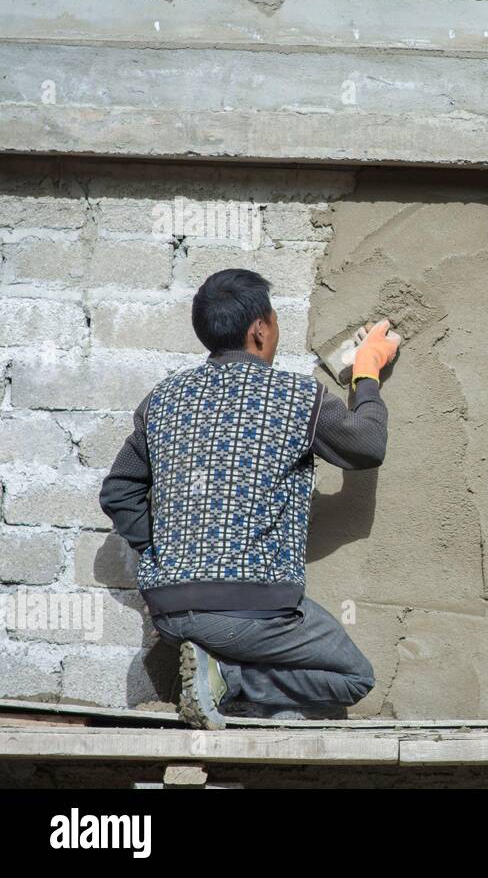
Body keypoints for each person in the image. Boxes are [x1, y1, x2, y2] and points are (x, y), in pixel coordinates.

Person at [99, 268, 398, 729]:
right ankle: (229, 679)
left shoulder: (162, 398)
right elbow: (367, 446)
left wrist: (159, 551)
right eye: (275, 319)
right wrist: (366, 374)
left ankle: (214, 671)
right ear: (260, 329)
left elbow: (119, 489)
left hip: (170, 613)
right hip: (255, 611)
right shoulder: (296, 396)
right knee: (353, 678)